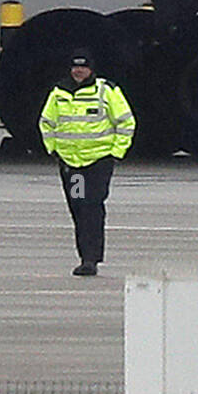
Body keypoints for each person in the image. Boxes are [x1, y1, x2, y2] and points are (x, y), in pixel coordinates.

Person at [38, 49, 136, 276]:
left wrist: (116, 152)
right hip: (71, 164)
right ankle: (84, 255)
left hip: (97, 161)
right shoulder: (59, 92)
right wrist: (54, 150)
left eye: (83, 66)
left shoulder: (106, 90)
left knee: (92, 206)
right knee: (78, 208)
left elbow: (126, 122)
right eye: (75, 66)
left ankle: (91, 259)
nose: (79, 71)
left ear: (91, 68)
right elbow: (46, 122)